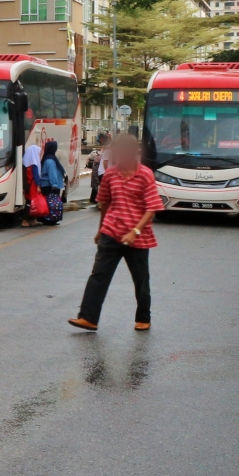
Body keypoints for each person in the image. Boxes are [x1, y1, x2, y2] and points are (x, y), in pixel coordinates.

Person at [69, 133, 163, 332]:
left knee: (141, 280)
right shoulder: (111, 174)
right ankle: (88, 317)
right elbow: (105, 202)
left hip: (137, 238)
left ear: (134, 152)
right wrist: (100, 229)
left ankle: (143, 318)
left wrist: (135, 231)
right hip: (111, 232)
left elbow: (152, 208)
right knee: (99, 275)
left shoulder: (145, 174)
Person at [38, 139, 67, 225]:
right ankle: (50, 218)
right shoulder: (50, 161)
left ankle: (48, 218)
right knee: (51, 202)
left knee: (48, 202)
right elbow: (52, 174)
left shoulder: (47, 158)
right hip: (50, 185)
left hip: (47, 185)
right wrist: (54, 185)